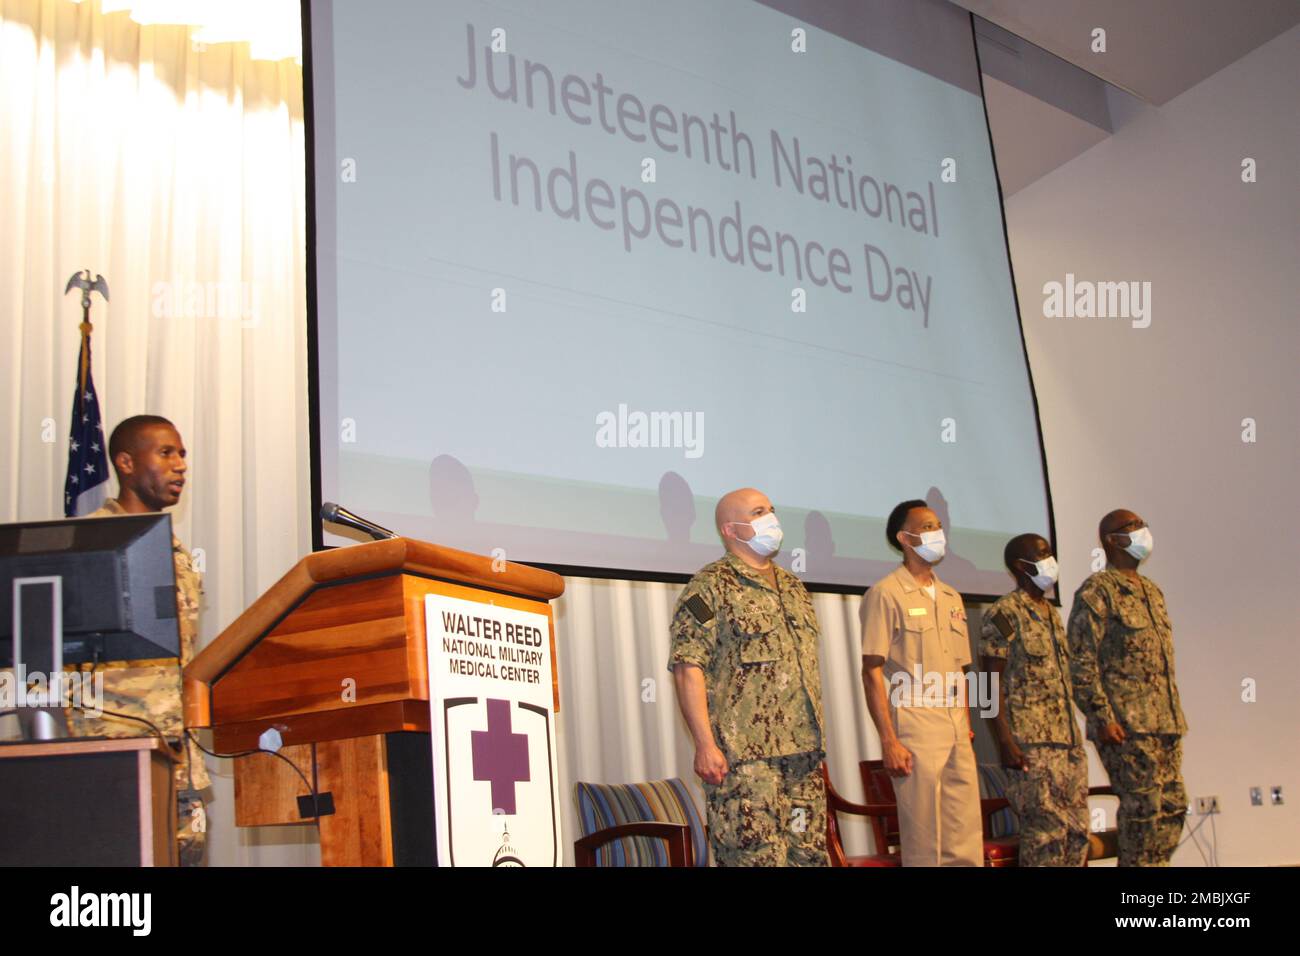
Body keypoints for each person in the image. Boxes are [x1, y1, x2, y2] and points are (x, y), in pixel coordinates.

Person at [66, 414, 210, 866]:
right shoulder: (88, 544)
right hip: (114, 758)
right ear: (125, 463)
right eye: (166, 453)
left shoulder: (177, 551)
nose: (180, 465)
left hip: (179, 758)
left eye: (182, 454)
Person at [668, 487, 826, 866]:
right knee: (754, 859)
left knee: (808, 856)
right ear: (731, 529)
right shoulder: (710, 586)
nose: (771, 518)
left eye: (771, 510)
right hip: (745, 763)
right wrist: (705, 745)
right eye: (758, 513)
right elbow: (688, 667)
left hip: (803, 757)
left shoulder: (793, 587)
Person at [860, 499, 982, 866]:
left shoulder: (950, 596)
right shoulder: (886, 593)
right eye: (927, 527)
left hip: (955, 725)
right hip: (915, 719)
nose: (937, 533)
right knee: (925, 837)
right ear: (904, 538)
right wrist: (889, 740)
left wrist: (966, 723)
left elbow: (960, 670)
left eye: (938, 525)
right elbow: (871, 670)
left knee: (965, 831)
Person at [1068, 509, 1187, 867]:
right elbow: (1081, 660)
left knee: (1173, 807)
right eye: (1133, 527)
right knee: (1143, 812)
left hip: (1165, 723)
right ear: (1111, 539)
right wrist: (1102, 717)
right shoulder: (1098, 590)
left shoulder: (1152, 591)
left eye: (1142, 525)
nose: (1142, 532)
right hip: (1126, 727)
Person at [980, 533, 1088, 866]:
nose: (1049, 559)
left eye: (1050, 552)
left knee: (1077, 835)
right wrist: (1004, 742)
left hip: (1068, 746)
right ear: (1020, 565)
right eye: (1042, 554)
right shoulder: (1004, 614)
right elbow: (986, 683)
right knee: (1045, 838)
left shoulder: (1051, 614)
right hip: (1030, 748)